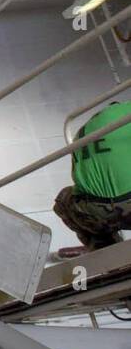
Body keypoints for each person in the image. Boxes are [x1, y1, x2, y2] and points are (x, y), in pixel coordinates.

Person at [54, 99, 131, 250]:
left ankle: (106, 251)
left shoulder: (80, 133)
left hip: (95, 213)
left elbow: (79, 183)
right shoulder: (127, 115)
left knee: (63, 200)